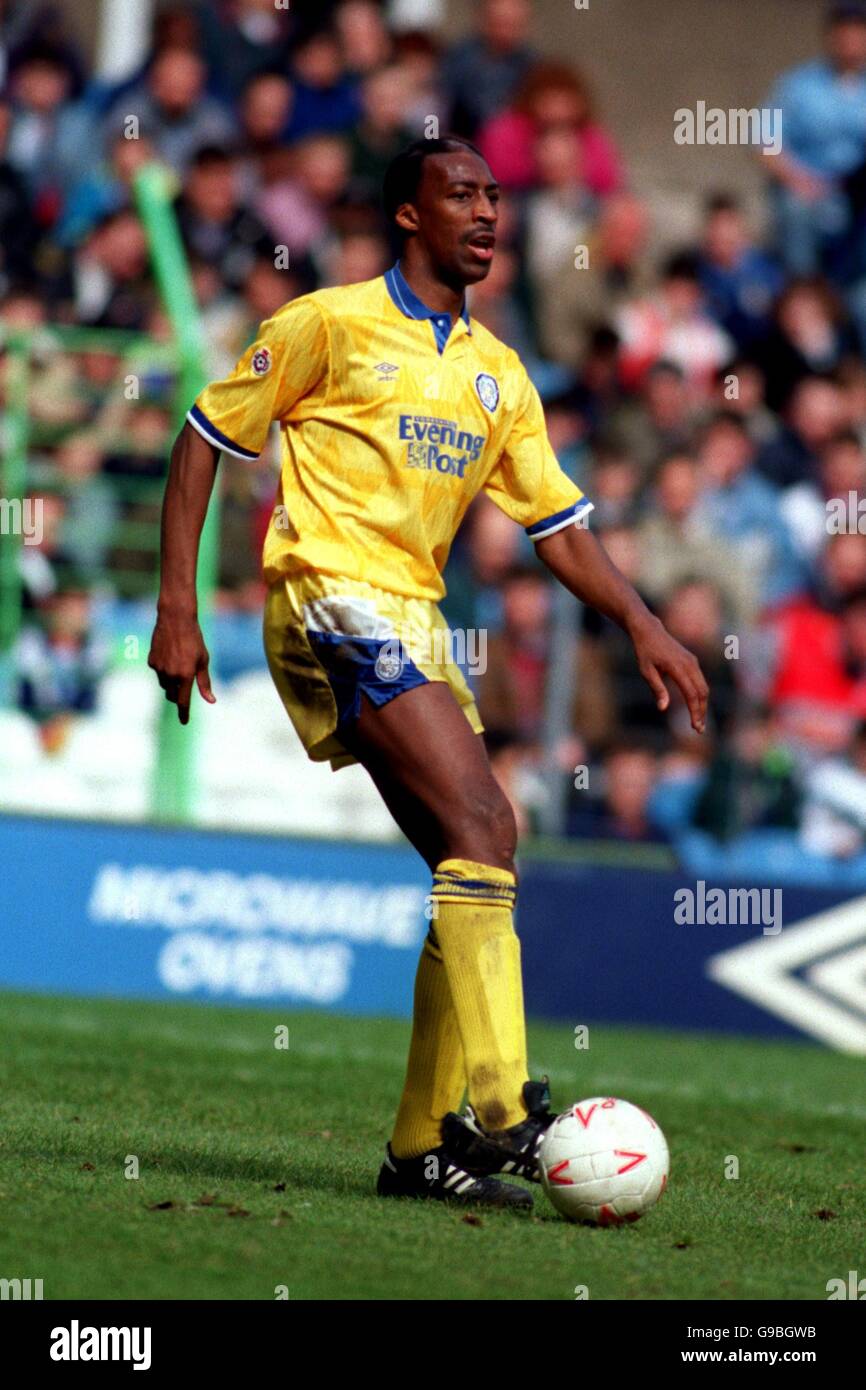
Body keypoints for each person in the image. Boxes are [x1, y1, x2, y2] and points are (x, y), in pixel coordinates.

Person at [148, 136, 708, 1210]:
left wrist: (642, 621)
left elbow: (557, 524)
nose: (487, 212)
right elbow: (203, 437)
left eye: (494, 196)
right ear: (408, 213)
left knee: (477, 847)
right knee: (485, 822)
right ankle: (501, 1108)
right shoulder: (326, 324)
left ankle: (417, 1152)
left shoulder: (501, 374)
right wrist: (179, 607)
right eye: (461, 195)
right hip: (329, 595)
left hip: (416, 619)